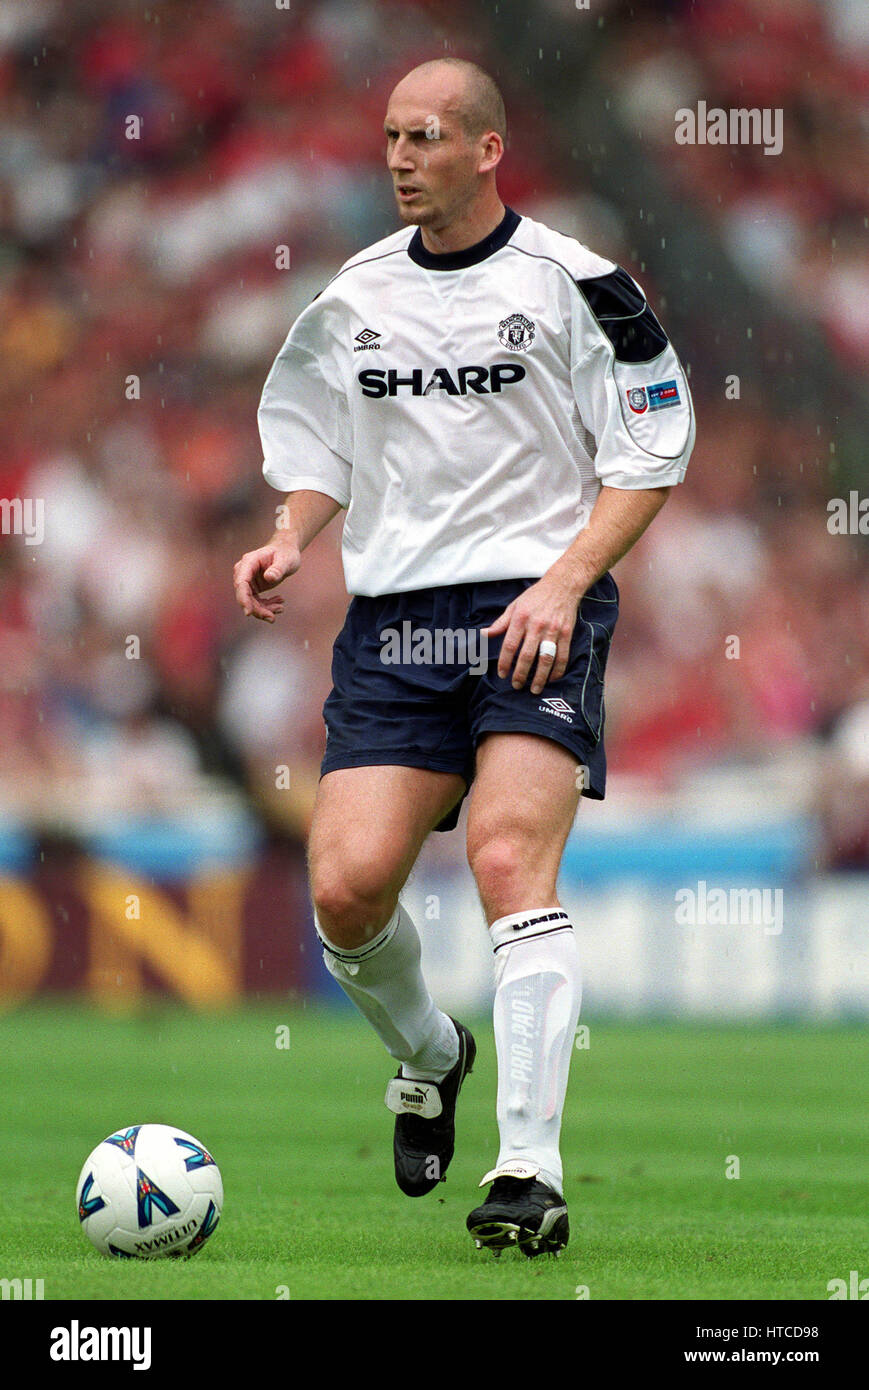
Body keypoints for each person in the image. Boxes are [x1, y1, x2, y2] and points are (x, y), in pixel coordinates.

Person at [233, 56, 695, 1257]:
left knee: (503, 854)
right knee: (343, 889)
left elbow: (648, 443)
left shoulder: (572, 283)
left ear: (487, 149)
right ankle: (431, 1057)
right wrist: (289, 532)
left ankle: (526, 1172)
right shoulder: (351, 294)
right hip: (393, 622)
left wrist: (567, 578)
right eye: (388, 135)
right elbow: (316, 444)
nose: (397, 157)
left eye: (424, 136)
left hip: (534, 607)